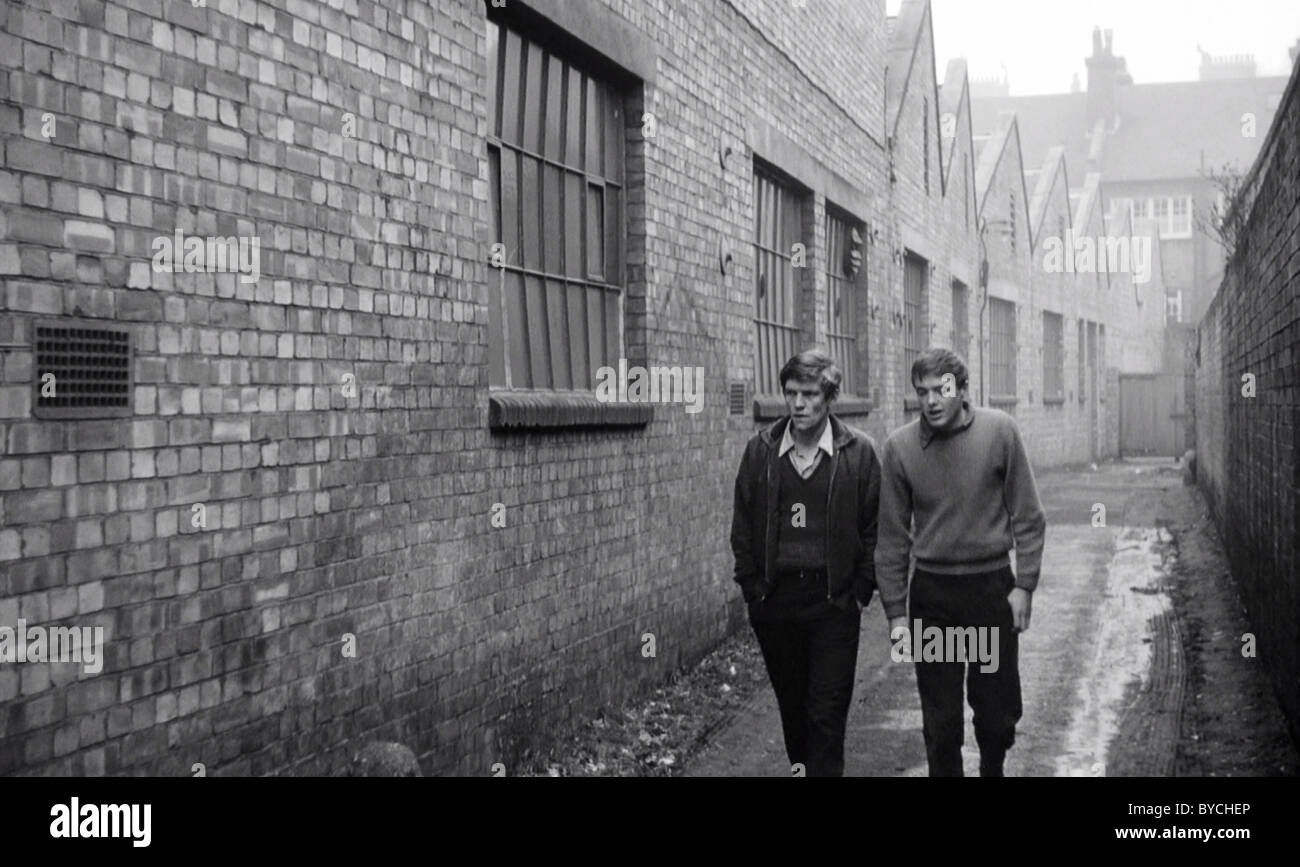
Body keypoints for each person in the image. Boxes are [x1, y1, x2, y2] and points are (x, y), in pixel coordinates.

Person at [875, 347, 1046, 777]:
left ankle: (993, 769)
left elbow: (1028, 515)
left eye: (941, 389)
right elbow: (892, 538)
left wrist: (1024, 585)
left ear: (963, 389)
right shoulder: (900, 448)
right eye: (922, 392)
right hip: (934, 597)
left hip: (989, 592)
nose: (931, 401)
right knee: (941, 719)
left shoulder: (999, 433)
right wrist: (897, 615)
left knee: (994, 710)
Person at [730, 349, 881, 776]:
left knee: (827, 714)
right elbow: (742, 525)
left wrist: (859, 590)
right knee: (794, 712)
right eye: (791, 393)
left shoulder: (859, 454)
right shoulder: (760, 452)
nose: (798, 403)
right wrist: (754, 590)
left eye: (809, 394)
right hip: (776, 602)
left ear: (829, 397)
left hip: (833, 602)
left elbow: (875, 529)